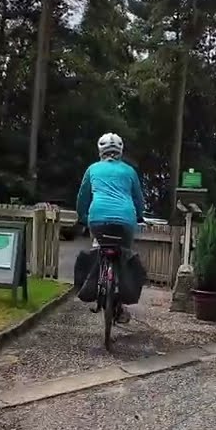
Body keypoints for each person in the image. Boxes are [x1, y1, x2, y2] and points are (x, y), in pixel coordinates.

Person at [76, 132, 144, 323]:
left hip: (97, 219)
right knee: (124, 254)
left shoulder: (92, 169)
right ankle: (120, 305)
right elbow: (139, 199)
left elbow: (82, 198)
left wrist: (83, 216)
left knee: (98, 247)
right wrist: (138, 215)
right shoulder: (130, 171)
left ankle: (94, 286)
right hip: (125, 221)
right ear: (120, 152)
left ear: (100, 151)